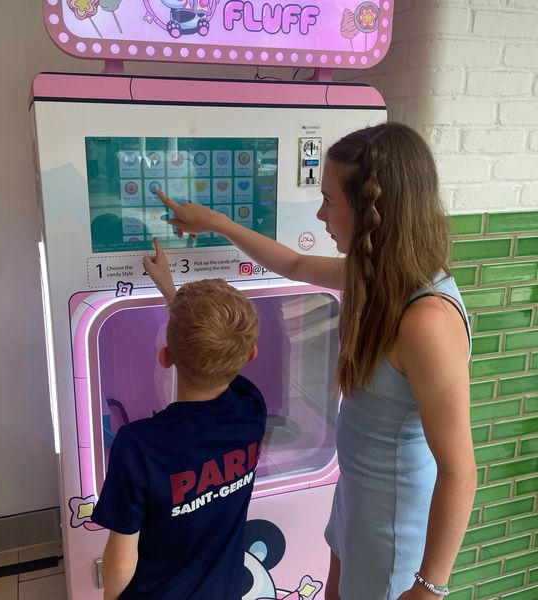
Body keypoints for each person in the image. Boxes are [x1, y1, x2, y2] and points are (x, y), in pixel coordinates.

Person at [154, 122, 477, 600]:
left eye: (330, 200)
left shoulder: (426, 320)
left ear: (373, 213)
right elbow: (296, 265)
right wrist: (216, 223)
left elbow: (459, 470)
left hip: (393, 527)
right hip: (357, 499)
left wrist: (430, 586)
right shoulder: (376, 275)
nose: (322, 213)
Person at [92, 239, 266, 600]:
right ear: (251, 355)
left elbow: (121, 564)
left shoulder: (137, 445)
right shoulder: (252, 409)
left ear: (165, 357)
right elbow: (217, 351)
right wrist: (172, 293)